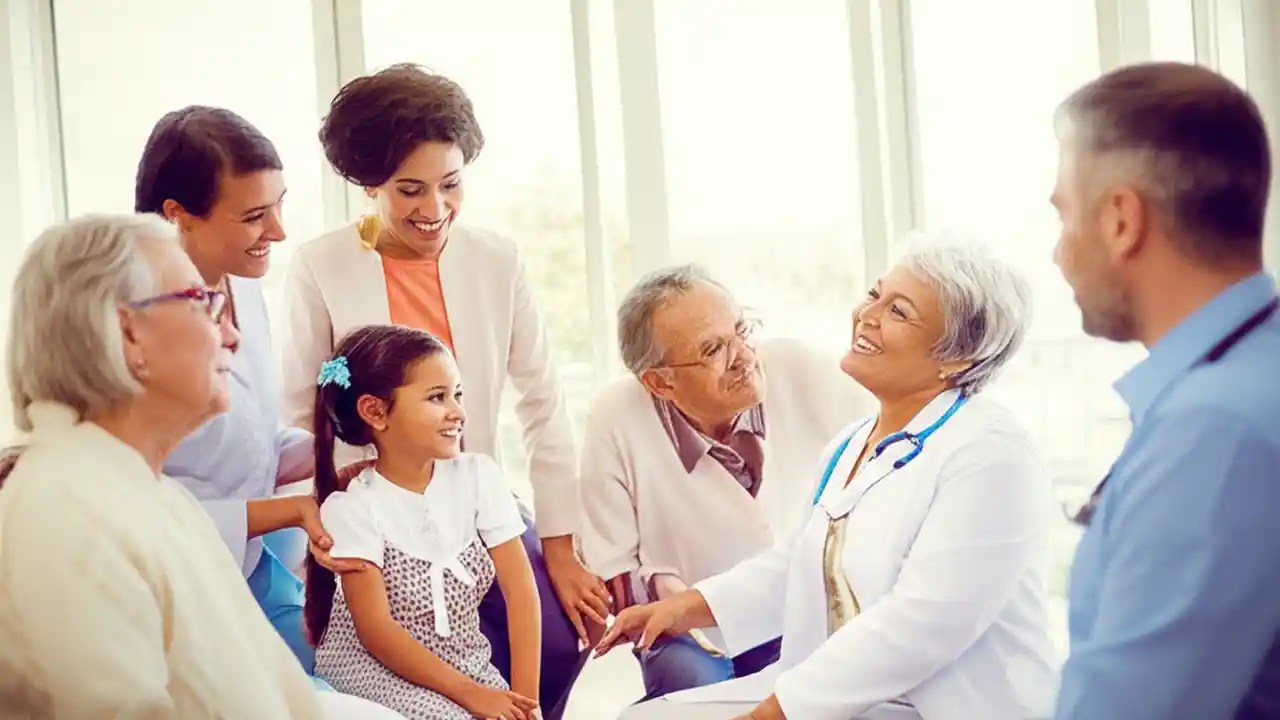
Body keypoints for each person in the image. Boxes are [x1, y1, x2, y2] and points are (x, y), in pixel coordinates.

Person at [598, 244, 1057, 720]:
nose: (866, 315)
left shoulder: (991, 454)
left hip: (942, 706)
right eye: (875, 295)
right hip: (853, 697)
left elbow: (923, 624)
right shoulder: (853, 443)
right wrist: (682, 609)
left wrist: (771, 715)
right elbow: (801, 562)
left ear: (958, 357)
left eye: (898, 311)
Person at [283, 64, 596, 715]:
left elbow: (544, 402)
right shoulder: (322, 266)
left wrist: (561, 548)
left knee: (564, 639)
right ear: (368, 184)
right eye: (410, 190)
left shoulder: (496, 259)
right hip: (380, 507)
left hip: (480, 500)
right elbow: (298, 407)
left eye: (450, 185)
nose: (434, 210)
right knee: (419, 660)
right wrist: (318, 529)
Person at [0, 214, 401, 719]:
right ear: (129, 335)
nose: (232, 335)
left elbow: (276, 690)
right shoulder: (65, 516)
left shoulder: (148, 494)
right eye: (205, 303)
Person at [1050, 62, 1280, 719]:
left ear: (1122, 219)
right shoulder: (1255, 376)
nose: (1058, 252)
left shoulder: (1214, 430)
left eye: (1064, 215)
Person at [133, 105, 366, 674]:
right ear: (178, 215)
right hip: (176, 587)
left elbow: (251, 441)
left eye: (280, 205)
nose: (279, 232)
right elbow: (138, 510)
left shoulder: (242, 285)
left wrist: (351, 457)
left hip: (251, 566)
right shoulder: (128, 332)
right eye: (255, 215)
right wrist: (286, 511)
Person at [579, 264, 873, 700]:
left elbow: (889, 458)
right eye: (714, 349)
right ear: (660, 382)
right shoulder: (616, 415)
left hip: (802, 608)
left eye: (742, 330)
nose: (743, 356)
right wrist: (666, 588)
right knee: (696, 688)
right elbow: (614, 569)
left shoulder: (802, 369)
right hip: (685, 626)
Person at [307, 324, 543, 720]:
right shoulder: (353, 508)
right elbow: (377, 632)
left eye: (457, 394)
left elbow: (521, 595)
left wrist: (527, 704)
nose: (458, 411)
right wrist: (471, 695)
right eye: (437, 397)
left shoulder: (479, 477)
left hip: (463, 667)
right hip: (375, 670)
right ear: (375, 411)